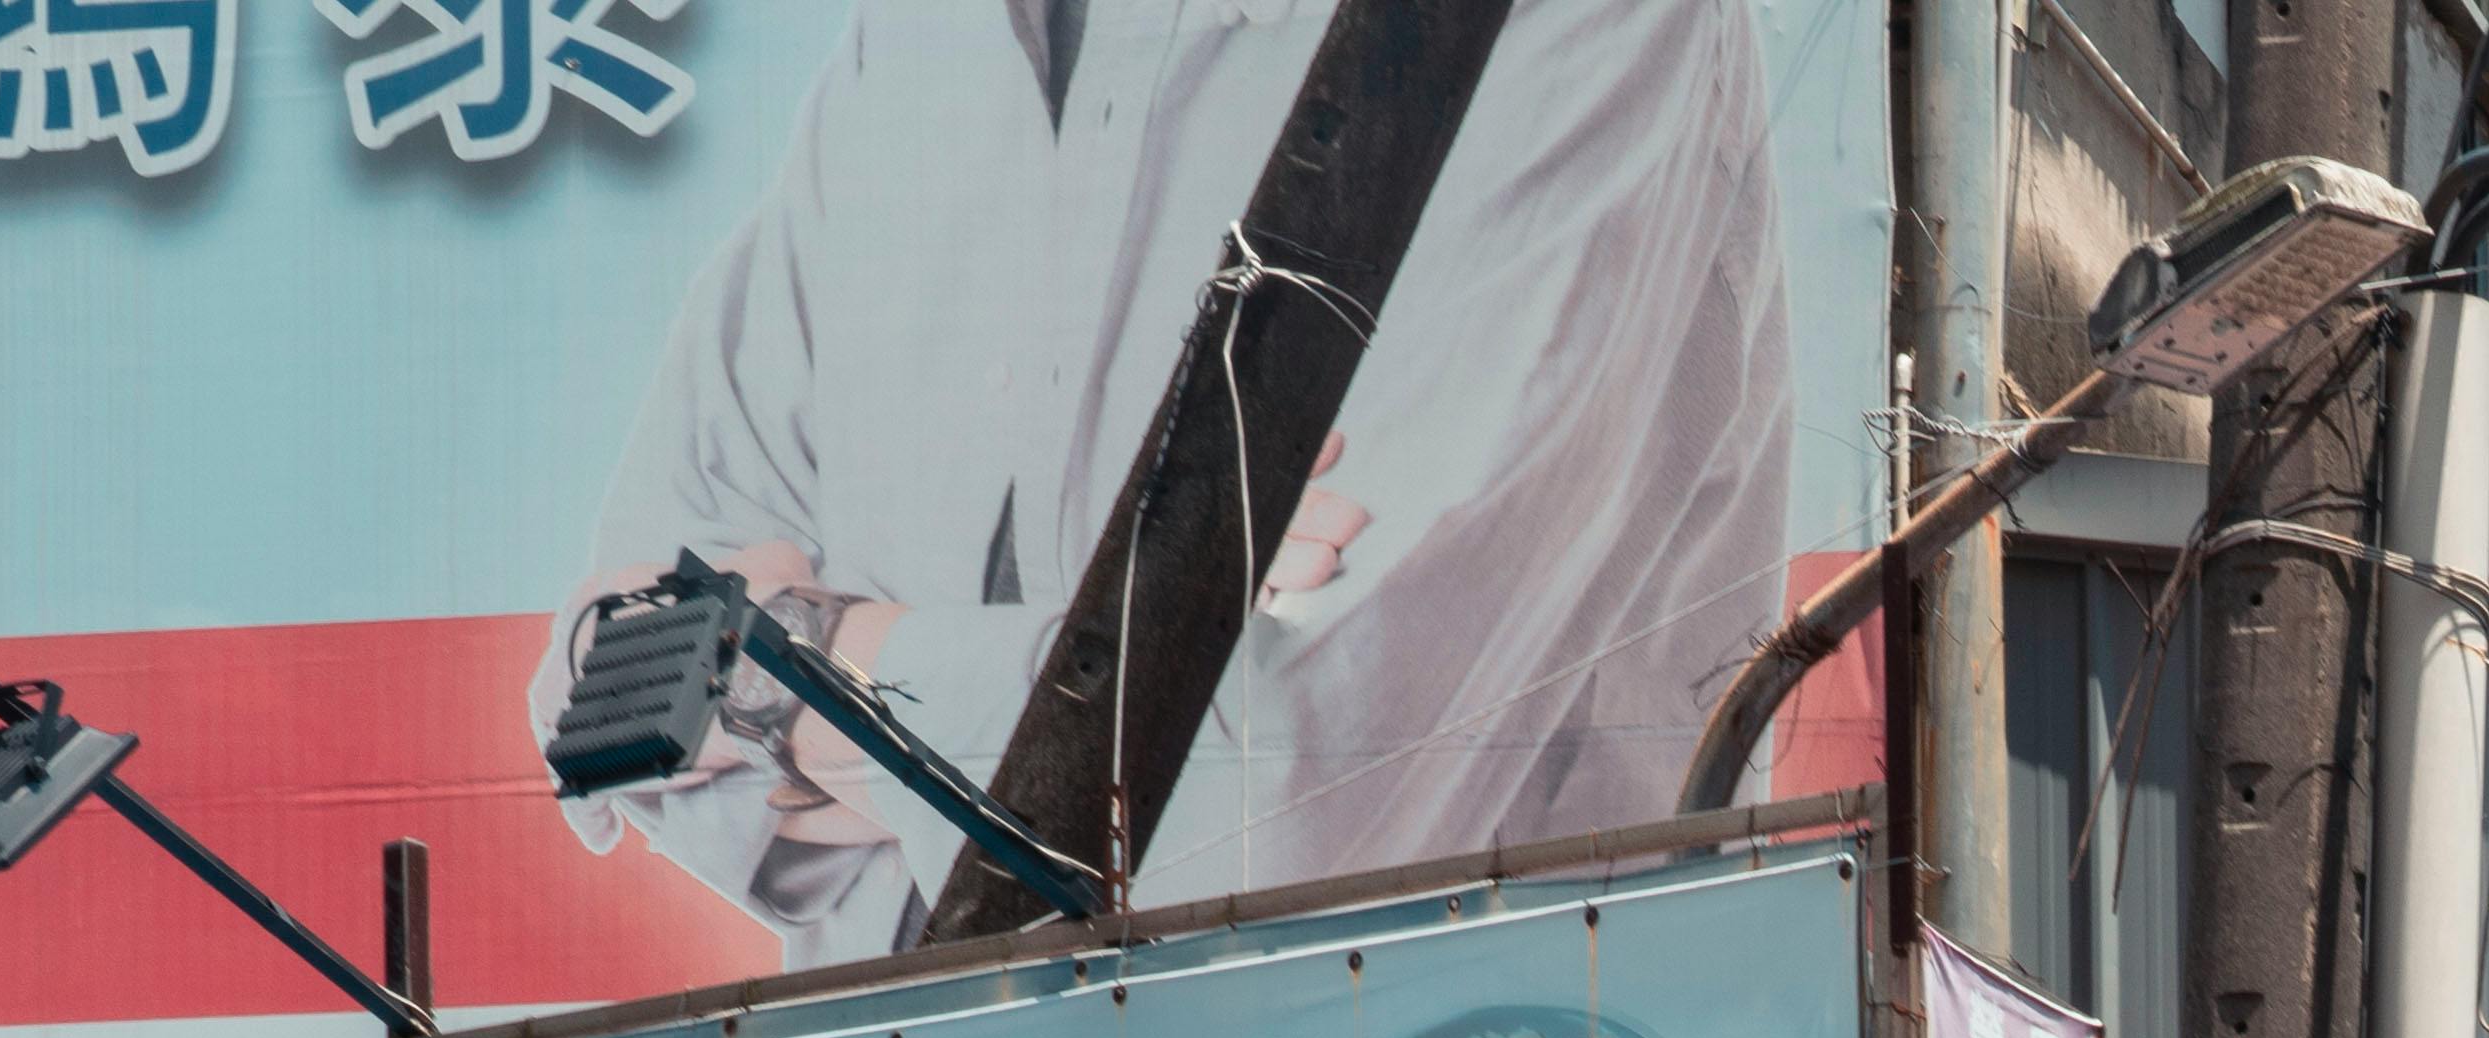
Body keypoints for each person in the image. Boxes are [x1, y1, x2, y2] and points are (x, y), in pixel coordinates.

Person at [541, 0, 1796, 965]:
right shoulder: (921, 46)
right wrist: (904, 691)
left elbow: (1297, 771)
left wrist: (786, 661)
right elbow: (603, 694)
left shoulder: (1564, 24)